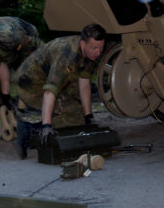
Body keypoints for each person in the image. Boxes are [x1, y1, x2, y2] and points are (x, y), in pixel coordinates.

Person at [12, 24, 107, 159]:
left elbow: (84, 82)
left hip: (48, 80)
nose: (97, 52)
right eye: (94, 48)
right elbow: (50, 91)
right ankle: (28, 131)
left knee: (77, 119)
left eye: (101, 48)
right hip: (30, 83)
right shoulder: (67, 55)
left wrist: (88, 116)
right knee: (64, 116)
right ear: (83, 44)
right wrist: (46, 125)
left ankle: (51, 126)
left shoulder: (89, 53)